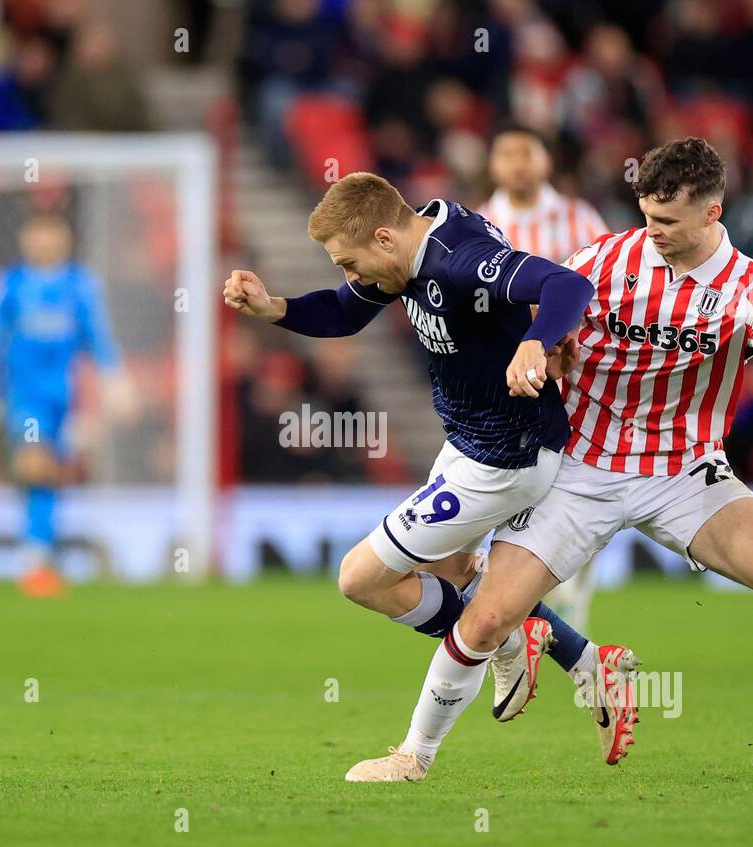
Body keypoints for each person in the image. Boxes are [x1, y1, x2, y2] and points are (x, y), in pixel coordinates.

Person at [358, 137, 753, 783]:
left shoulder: (748, 285)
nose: (654, 233)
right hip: (579, 470)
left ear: (712, 213)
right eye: (647, 217)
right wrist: (544, 350)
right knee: (490, 617)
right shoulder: (607, 259)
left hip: (683, 473)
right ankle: (411, 757)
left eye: (668, 222)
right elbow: (543, 316)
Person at [223, 172, 640, 783]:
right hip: (470, 444)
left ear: (386, 238)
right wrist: (275, 309)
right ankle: (585, 662)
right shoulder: (410, 250)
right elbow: (343, 312)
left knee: (361, 578)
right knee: (455, 576)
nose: (353, 278)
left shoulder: (459, 261)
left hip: (502, 457)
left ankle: (415, 755)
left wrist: (535, 344)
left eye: (351, 262)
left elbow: (566, 284)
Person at [479, 122, 610, 630]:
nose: (516, 163)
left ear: (545, 162)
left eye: (525, 153)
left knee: (578, 484)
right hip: (503, 375)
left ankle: (571, 604)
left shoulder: (579, 218)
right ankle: (515, 604)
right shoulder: (481, 221)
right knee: (510, 483)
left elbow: (604, 286)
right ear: (493, 165)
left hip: (571, 371)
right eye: (506, 153)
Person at [0, 212, 132, 597]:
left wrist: (114, 380)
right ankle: (36, 560)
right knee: (37, 465)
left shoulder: (80, 284)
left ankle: (40, 555)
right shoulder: (9, 284)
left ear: (65, 238)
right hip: (24, 397)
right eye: (38, 234)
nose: (45, 242)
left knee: (51, 476)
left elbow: (98, 336)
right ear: (26, 239)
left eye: (52, 234)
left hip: (66, 400)